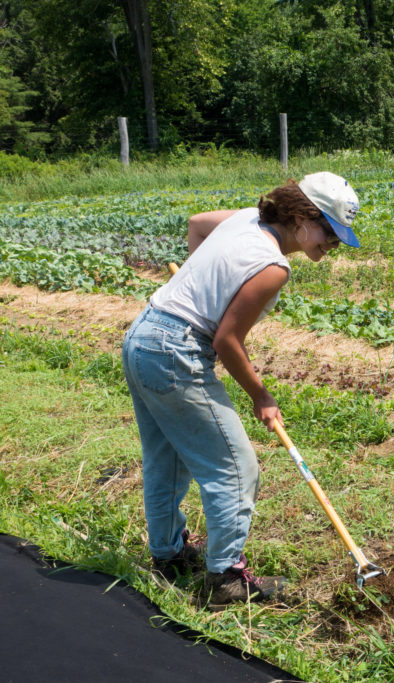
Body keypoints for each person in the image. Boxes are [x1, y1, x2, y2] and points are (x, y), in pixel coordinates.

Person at [121, 172, 360, 606]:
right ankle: (227, 580)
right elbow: (226, 341)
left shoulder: (246, 219)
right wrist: (261, 395)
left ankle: (169, 556)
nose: (333, 243)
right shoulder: (273, 267)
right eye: (329, 230)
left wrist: (199, 284)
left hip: (144, 335)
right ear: (303, 216)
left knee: (166, 458)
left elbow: (197, 224)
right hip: (175, 351)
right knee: (236, 468)